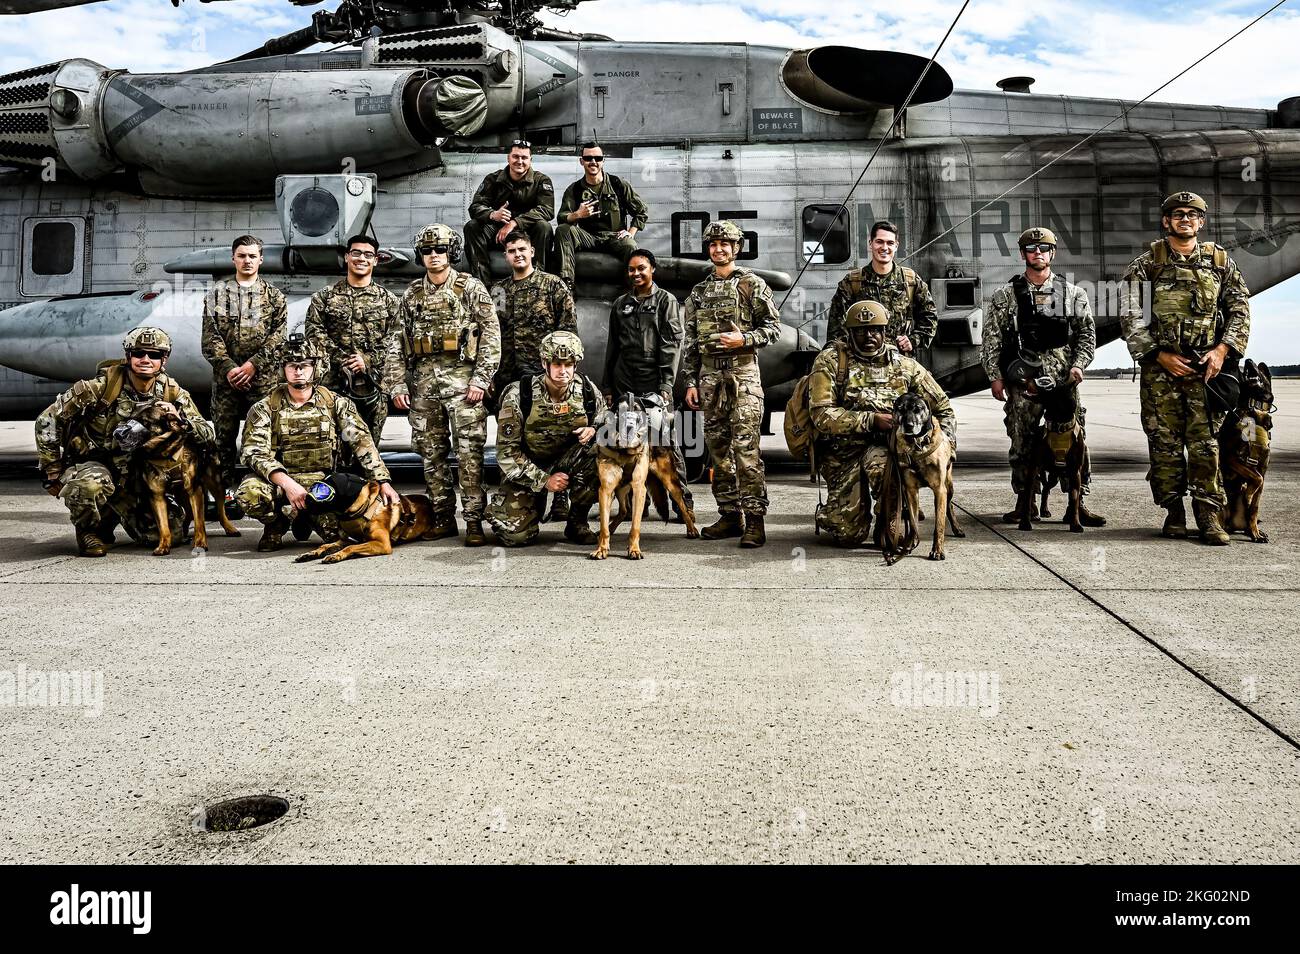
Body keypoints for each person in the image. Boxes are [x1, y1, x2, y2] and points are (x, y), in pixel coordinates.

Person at [1120, 191, 1251, 545]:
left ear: (1201, 222)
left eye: (1192, 215)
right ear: (1166, 221)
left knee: (1206, 444)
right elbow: (1132, 316)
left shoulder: (1220, 263)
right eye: (1177, 214)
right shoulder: (1146, 265)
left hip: (1204, 369)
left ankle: (1209, 514)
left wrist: (1223, 350)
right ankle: (1173, 511)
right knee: (1164, 444)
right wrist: (1157, 355)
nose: (1185, 219)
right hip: (1162, 370)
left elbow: (1239, 309)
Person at [36, 327, 215, 556]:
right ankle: (89, 531)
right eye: (139, 353)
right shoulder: (100, 387)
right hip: (97, 463)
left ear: (164, 359)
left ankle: (113, 512)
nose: (146, 360)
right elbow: (47, 420)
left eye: (154, 355)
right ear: (128, 356)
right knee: (90, 484)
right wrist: (52, 469)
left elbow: (206, 434)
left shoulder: (172, 392)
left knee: (172, 534)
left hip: (137, 474)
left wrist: (180, 419)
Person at [981, 226, 1105, 526]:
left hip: (1063, 380)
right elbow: (991, 339)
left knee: (1074, 438)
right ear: (1023, 254)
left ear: (1053, 253)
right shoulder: (1005, 296)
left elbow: (1086, 334)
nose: (1038, 253)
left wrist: (1079, 365)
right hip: (1023, 380)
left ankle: (1077, 502)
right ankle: (1026, 502)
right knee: (1021, 438)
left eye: (1044, 249)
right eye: (1032, 249)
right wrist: (995, 376)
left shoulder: (1073, 293)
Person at [808, 302, 955, 546]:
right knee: (848, 536)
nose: (869, 337)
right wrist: (871, 420)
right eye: (860, 331)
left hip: (887, 450)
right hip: (844, 454)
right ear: (849, 333)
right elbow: (821, 414)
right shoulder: (831, 362)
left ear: (885, 332)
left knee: (886, 464)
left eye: (875, 330)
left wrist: (947, 447)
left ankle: (890, 517)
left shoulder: (904, 365)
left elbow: (943, 408)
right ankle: (834, 512)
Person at [391, 223, 501, 547]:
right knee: (431, 456)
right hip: (425, 388)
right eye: (427, 251)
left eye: (440, 249)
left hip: (464, 386)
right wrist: (397, 384)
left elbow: (491, 335)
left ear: (451, 253)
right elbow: (397, 342)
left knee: (469, 455)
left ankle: (474, 521)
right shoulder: (412, 294)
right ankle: (442, 518)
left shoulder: (470, 288)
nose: (433, 256)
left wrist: (481, 379)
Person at [236, 334, 398, 552]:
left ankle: (304, 518)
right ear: (282, 369)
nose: (298, 371)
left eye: (305, 365)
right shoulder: (265, 407)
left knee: (340, 537)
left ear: (316, 367)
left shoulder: (335, 403)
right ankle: (276, 524)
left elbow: (362, 443)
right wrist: (289, 485)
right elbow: (254, 453)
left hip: (324, 485)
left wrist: (383, 481)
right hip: (282, 484)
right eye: (292, 366)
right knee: (250, 493)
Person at [682, 220, 782, 547]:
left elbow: (772, 329)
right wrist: (691, 381)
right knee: (718, 450)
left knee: (746, 449)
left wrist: (744, 338)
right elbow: (691, 340)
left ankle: (755, 520)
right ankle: (729, 515)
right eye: (713, 244)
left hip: (743, 375)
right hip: (710, 377)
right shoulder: (698, 292)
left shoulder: (752, 285)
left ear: (736, 248)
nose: (719, 249)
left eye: (725, 244)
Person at [491, 230, 579, 522]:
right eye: (512, 250)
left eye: (522, 249)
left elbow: (568, 332)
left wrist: (562, 372)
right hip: (508, 377)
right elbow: (491, 335)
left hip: (545, 376)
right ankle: (526, 492)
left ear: (532, 253)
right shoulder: (498, 291)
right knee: (517, 438)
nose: (517, 254)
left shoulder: (552, 286)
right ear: (506, 256)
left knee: (556, 434)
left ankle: (561, 497)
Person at [487, 331, 603, 547]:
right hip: (529, 466)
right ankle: (532, 504)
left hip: (570, 464)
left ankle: (577, 521)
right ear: (544, 363)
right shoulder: (519, 395)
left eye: (568, 364)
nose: (563, 371)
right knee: (516, 537)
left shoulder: (587, 391)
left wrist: (594, 429)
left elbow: (606, 422)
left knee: (601, 453)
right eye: (557, 364)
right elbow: (506, 454)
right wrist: (544, 481)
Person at [603, 248, 694, 515]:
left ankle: (682, 505)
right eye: (632, 269)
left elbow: (671, 347)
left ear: (652, 269)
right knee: (626, 444)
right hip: (624, 385)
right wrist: (608, 386)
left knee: (666, 446)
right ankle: (634, 505)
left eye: (641, 268)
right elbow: (613, 348)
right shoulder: (621, 304)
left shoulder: (665, 301)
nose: (636, 273)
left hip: (653, 384)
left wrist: (666, 386)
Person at [201, 233, 288, 498]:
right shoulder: (217, 295)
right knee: (224, 437)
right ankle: (224, 492)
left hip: (263, 380)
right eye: (242, 256)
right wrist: (230, 368)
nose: (247, 261)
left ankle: (262, 486)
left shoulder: (274, 297)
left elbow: (278, 338)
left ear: (261, 260)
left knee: (263, 434)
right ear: (233, 259)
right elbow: (210, 337)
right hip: (226, 381)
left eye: (252, 256)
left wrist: (252, 366)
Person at [304, 234, 404, 443]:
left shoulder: (388, 300)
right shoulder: (325, 296)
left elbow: (396, 338)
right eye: (356, 253)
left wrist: (366, 360)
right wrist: (343, 360)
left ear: (375, 260)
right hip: (333, 385)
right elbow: (314, 332)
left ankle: (367, 478)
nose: (361, 258)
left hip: (373, 386)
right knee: (333, 446)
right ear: (347, 257)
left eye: (368, 254)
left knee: (367, 447)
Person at [824, 221, 937, 354]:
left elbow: (930, 317)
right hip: (861, 363)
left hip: (899, 363)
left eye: (890, 243)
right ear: (870, 244)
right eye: (879, 242)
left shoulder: (910, 281)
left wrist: (913, 340)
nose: (884, 247)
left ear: (896, 246)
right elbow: (836, 329)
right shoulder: (852, 283)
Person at [554, 142, 648, 289]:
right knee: (563, 230)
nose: (593, 162)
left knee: (631, 246)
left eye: (597, 158)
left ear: (603, 160)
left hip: (615, 237)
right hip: (588, 237)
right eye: (588, 158)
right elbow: (562, 218)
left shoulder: (618, 184)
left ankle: (630, 292)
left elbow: (641, 211)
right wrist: (577, 215)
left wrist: (631, 233)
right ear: (581, 161)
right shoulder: (575, 189)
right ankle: (567, 285)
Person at [464, 138, 556, 285]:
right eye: (516, 157)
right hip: (497, 233)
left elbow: (547, 210)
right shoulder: (493, 179)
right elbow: (475, 206)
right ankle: (482, 284)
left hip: (526, 234)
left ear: (530, 160)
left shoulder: (541, 181)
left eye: (524, 157)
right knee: (472, 226)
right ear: (508, 158)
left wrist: (514, 223)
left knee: (544, 227)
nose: (520, 161)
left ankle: (537, 282)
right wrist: (492, 215)